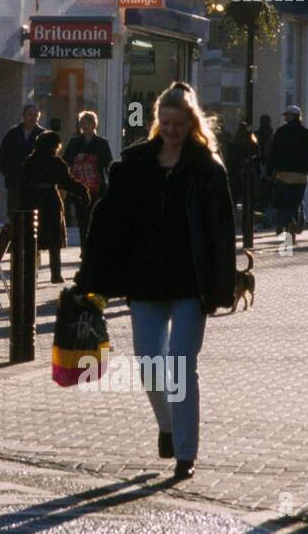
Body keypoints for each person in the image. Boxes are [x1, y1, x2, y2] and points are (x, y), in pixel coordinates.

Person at [74, 82, 236, 481]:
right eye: (164, 122)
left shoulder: (206, 169)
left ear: (191, 122)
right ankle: (167, 425)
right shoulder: (134, 165)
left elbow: (220, 230)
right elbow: (107, 223)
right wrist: (91, 276)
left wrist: (221, 284)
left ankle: (185, 452)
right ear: (156, 122)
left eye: (178, 123)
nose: (171, 129)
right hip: (144, 279)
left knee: (180, 364)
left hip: (189, 282)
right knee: (148, 364)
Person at [21, 130, 90, 284]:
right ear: (54, 145)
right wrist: (83, 192)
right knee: (54, 240)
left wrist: (21, 204)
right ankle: (56, 274)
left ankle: (29, 274)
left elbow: (22, 184)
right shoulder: (56, 162)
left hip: (32, 201)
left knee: (33, 239)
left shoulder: (29, 161)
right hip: (50, 202)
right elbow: (67, 182)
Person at [269, 105, 308, 237]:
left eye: (287, 115)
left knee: (284, 201)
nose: (286, 117)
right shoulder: (307, 134)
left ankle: (289, 223)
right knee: (296, 202)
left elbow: (274, 153)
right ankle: (293, 224)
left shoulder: (281, 132)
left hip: (283, 174)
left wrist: (271, 170)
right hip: (301, 175)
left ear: (292, 116)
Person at [61, 110, 113, 239]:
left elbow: (108, 164)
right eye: (82, 123)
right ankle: (84, 248)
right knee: (81, 217)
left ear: (94, 124)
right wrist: (75, 158)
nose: (85, 126)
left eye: (88, 123)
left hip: (96, 185)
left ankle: (92, 245)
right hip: (79, 186)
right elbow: (65, 160)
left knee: (94, 216)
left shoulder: (102, 142)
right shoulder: (74, 142)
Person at [0, 103, 46, 217]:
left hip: (36, 184)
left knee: (34, 214)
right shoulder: (13, 133)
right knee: (14, 212)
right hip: (15, 182)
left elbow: (50, 158)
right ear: (23, 116)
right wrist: (9, 173)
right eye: (29, 114)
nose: (32, 117)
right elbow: (2, 156)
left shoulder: (43, 135)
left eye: (35, 115)